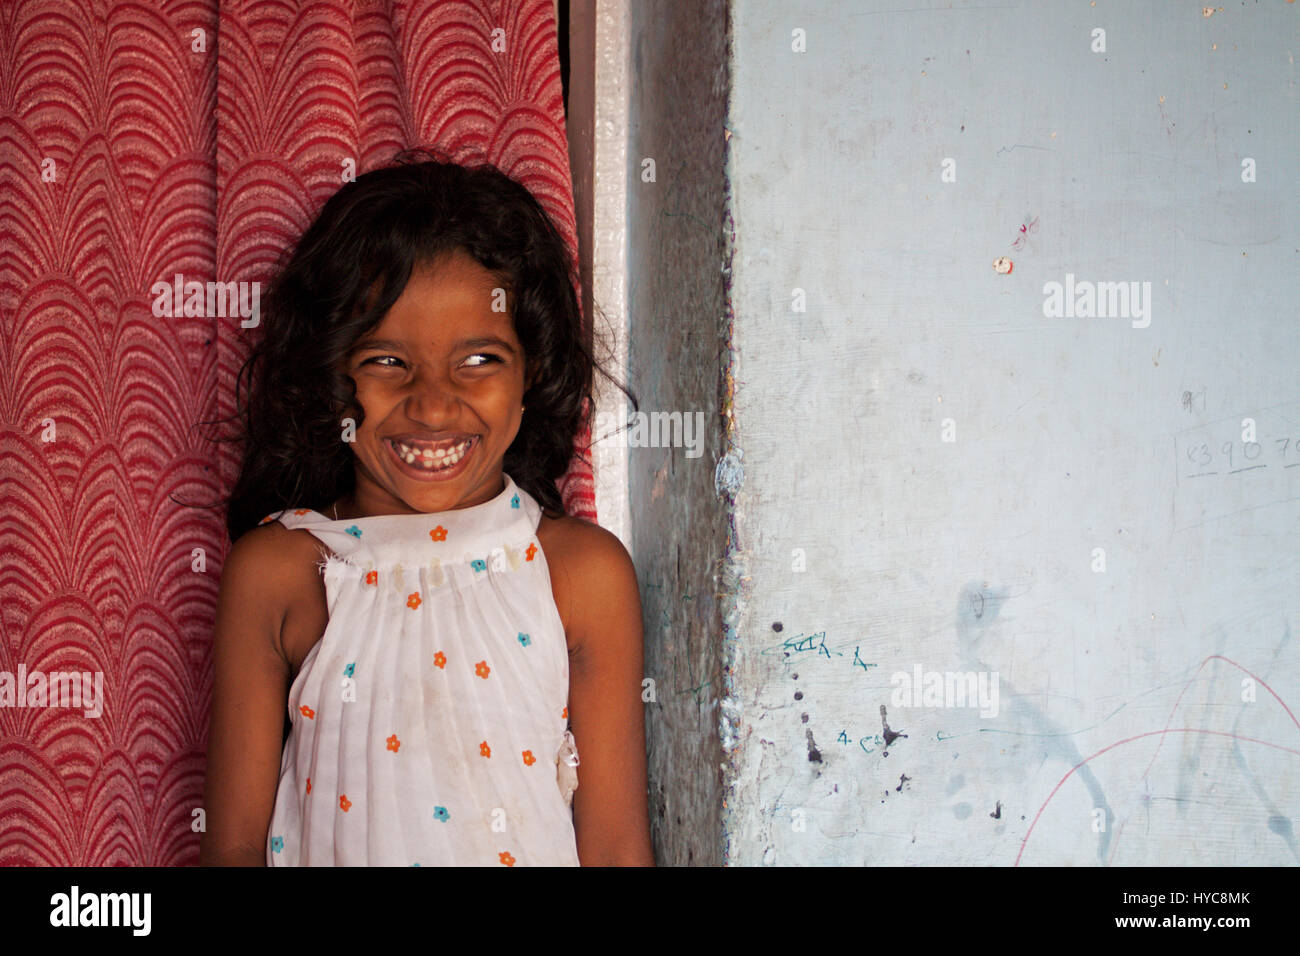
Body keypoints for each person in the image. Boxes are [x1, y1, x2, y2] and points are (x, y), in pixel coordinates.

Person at [199, 150, 654, 866]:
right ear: (330, 377)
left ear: (532, 373)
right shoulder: (279, 572)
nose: (435, 403)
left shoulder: (582, 574)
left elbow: (617, 848)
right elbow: (231, 850)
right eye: (386, 360)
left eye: (479, 361)